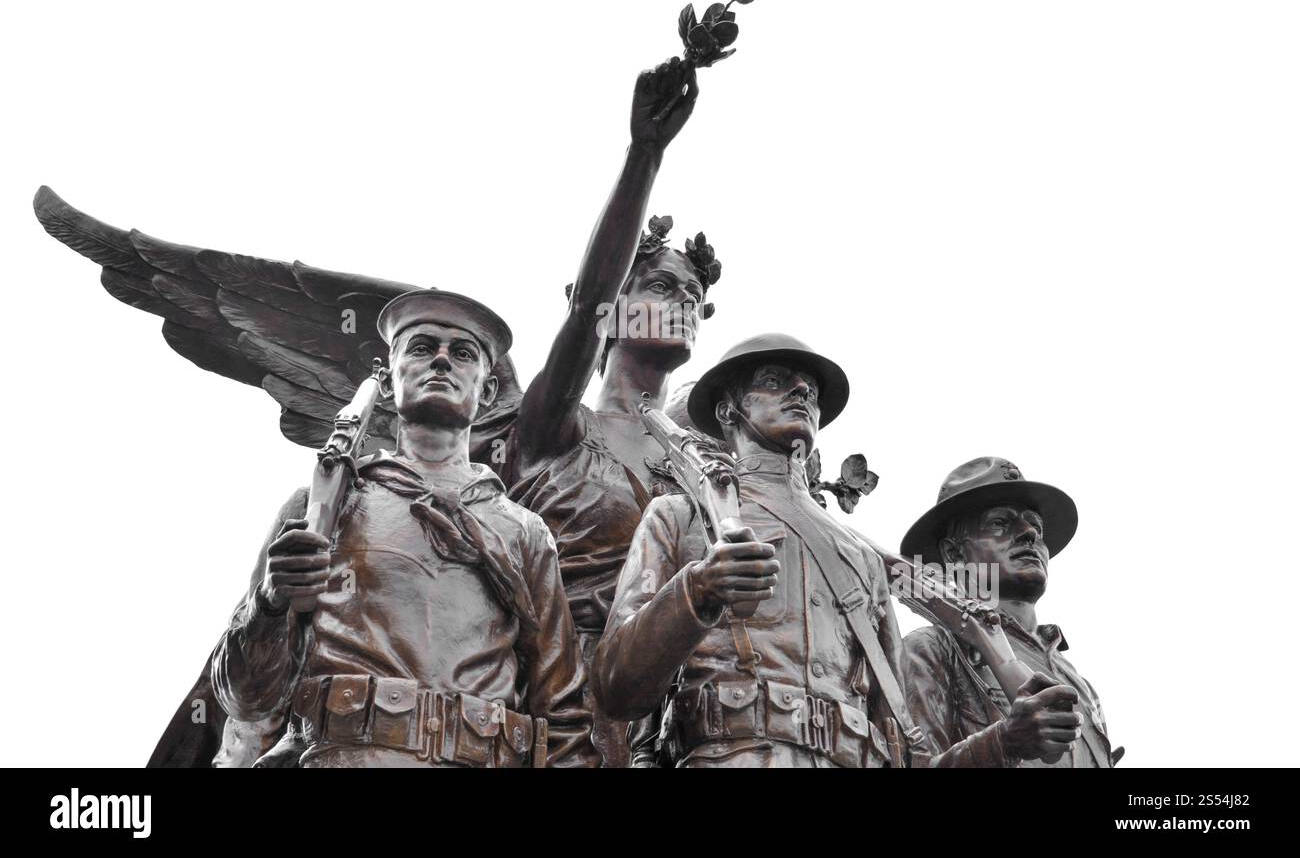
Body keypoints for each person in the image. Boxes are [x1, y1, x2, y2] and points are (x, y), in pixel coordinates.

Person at [211, 289, 597, 767]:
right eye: (421, 348)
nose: (441, 361)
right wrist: (271, 603)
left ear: (489, 391)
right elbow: (246, 699)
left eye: (462, 354)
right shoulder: (324, 505)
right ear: (389, 384)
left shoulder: (524, 532)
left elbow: (562, 706)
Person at [503, 57, 723, 765]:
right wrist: (644, 156)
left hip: (671, 734)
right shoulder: (555, 427)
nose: (682, 302)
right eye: (660, 284)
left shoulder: (711, 477)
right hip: (544, 710)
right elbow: (583, 308)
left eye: (693, 295)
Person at [592, 334, 926, 767]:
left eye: (810, 388)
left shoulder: (861, 558)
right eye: (774, 380)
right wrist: (699, 588)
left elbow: (900, 736)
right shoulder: (679, 516)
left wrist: (1003, 740)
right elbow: (616, 687)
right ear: (728, 410)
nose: (802, 391)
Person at [900, 457, 1119, 767]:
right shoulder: (932, 649)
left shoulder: (1078, 683)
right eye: (1000, 523)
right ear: (953, 553)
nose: (1030, 533)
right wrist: (1003, 743)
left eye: (1036, 526)